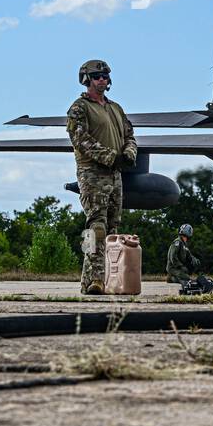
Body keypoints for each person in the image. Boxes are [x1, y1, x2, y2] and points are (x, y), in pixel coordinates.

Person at [66, 59, 136, 295]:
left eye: (105, 76)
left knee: (113, 229)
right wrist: (109, 157)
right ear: (87, 79)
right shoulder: (79, 108)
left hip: (115, 175)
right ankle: (94, 279)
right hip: (92, 173)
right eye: (97, 76)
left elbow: (130, 135)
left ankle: (106, 279)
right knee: (96, 226)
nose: (102, 80)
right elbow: (81, 140)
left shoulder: (115, 108)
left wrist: (128, 154)